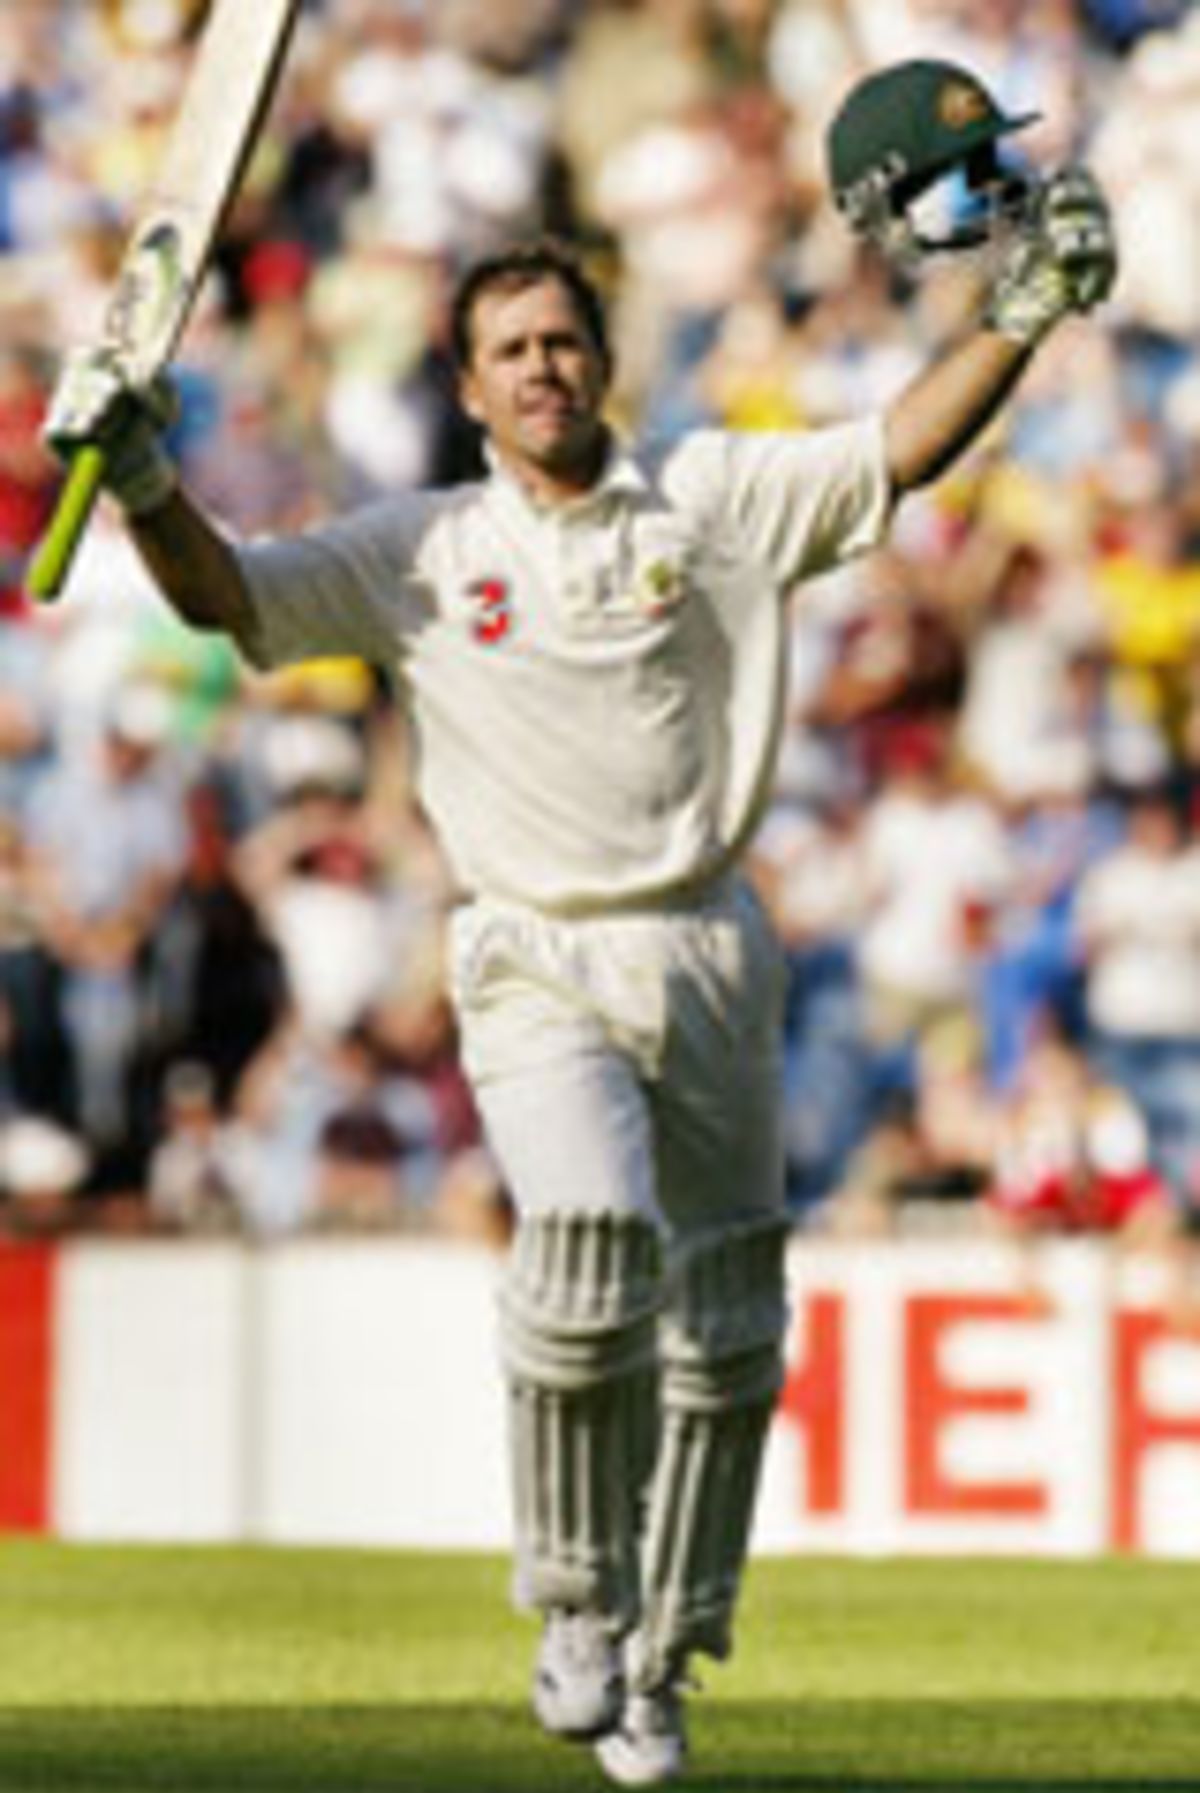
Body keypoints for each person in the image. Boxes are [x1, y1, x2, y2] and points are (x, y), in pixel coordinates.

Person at [39, 63, 1117, 1785]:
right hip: (533, 949)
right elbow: (237, 599)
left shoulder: (709, 493)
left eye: (565, 341)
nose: (546, 368)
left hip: (706, 942)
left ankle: (665, 1649)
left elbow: (901, 448)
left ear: (595, 363)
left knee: (734, 1333)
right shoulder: (421, 545)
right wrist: (152, 481)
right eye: (514, 350)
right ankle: (570, 1597)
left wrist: (1028, 313)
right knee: (591, 1236)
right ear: (469, 391)